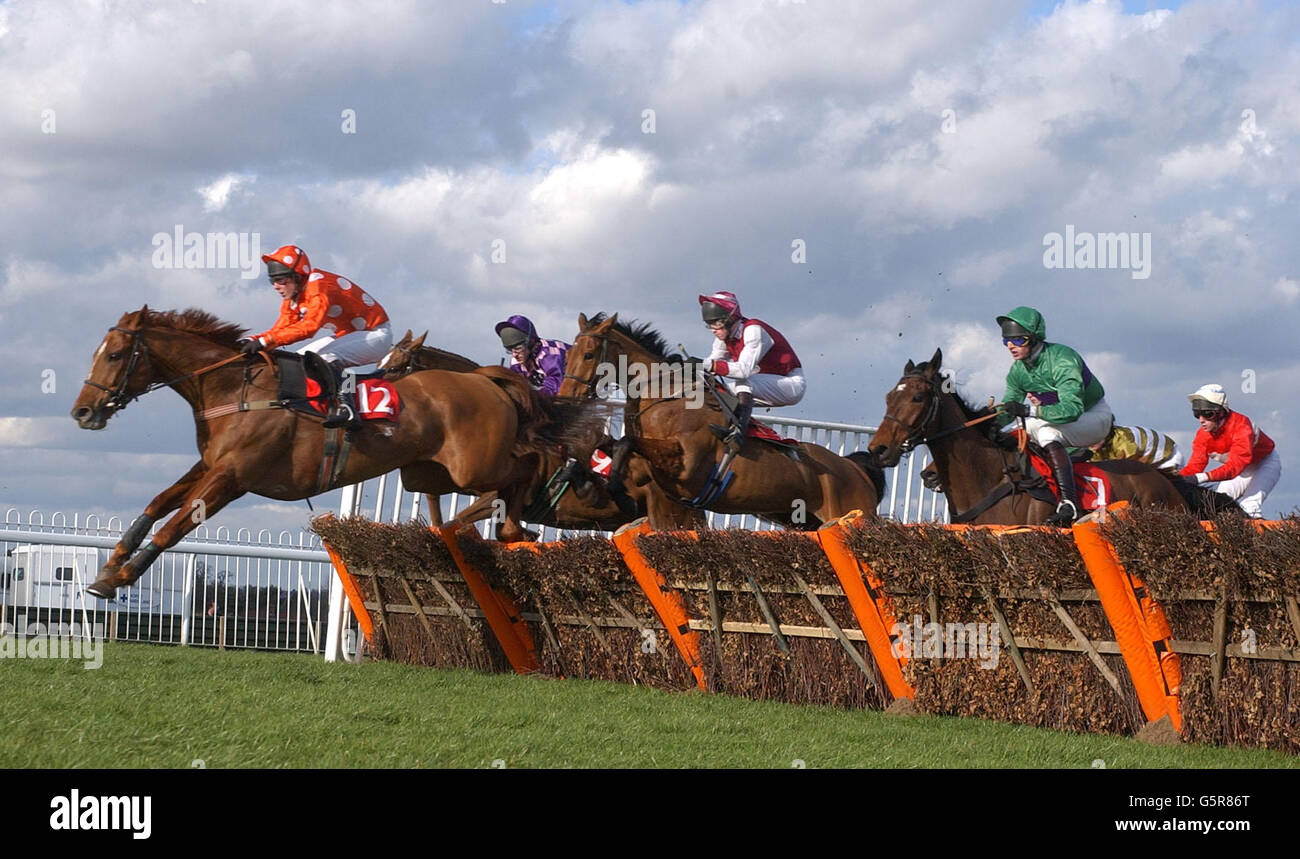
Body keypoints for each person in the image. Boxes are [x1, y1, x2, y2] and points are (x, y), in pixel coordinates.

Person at [238, 244, 392, 429]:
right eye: (273, 281)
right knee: (298, 360)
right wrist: (254, 340)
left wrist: (265, 342)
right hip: (352, 335)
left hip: (376, 335)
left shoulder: (318, 286)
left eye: (281, 280)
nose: (276, 287)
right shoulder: (294, 296)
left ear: (297, 276)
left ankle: (347, 408)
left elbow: (309, 327)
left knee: (325, 358)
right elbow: (280, 329)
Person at [995, 306, 1111, 525]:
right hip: (1056, 418)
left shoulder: (1062, 359)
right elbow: (1007, 410)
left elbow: (1072, 410)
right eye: (1007, 341)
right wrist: (987, 422)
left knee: (1046, 432)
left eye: (1018, 340)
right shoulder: (1017, 370)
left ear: (1034, 339)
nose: (1011, 346)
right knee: (1013, 433)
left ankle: (1069, 504)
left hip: (1092, 416)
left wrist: (1029, 410)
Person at [698, 291, 805, 454]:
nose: (713, 330)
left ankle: (738, 434)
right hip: (763, 382)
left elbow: (743, 370)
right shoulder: (723, 339)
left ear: (730, 319)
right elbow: (711, 364)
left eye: (716, 324)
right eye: (709, 324)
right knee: (719, 390)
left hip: (790, 384)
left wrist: (704, 365)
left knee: (743, 383)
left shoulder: (754, 330)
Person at [1179, 384, 1281, 518]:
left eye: (1207, 414)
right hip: (1240, 468)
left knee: (1250, 506)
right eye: (1197, 414)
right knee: (1215, 505)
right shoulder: (1202, 435)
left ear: (1221, 412)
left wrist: (1200, 478)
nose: (1201, 420)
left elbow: (1234, 467)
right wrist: (1176, 479)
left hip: (1264, 463)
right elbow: (1195, 466)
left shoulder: (1242, 426)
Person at [494, 315, 570, 397]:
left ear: (531, 342)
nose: (514, 355)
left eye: (518, 348)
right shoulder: (517, 359)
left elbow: (554, 387)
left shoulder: (550, 354)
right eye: (510, 350)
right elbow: (516, 385)